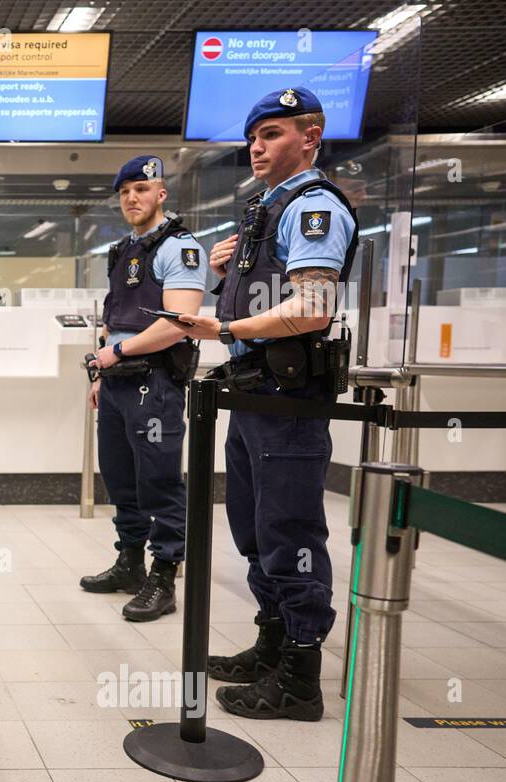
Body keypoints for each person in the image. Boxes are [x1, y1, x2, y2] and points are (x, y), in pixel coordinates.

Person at [166, 88, 358, 721]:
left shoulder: (314, 208)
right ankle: (271, 646)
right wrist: (226, 277)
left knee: (290, 530)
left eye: (274, 133)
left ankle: (300, 679)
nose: (258, 145)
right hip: (254, 393)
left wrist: (225, 331)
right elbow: (267, 295)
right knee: (254, 529)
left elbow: (311, 308)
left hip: (288, 397)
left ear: (311, 137)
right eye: (254, 136)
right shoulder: (262, 212)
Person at [80, 156, 207, 622]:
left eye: (141, 188)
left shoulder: (180, 248)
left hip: (155, 381)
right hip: (115, 383)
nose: (132, 198)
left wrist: (119, 353)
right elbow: (113, 321)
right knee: (119, 477)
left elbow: (178, 325)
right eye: (124, 191)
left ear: (161, 193)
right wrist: (101, 371)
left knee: (158, 479)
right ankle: (131, 562)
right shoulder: (121, 250)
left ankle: (164, 574)